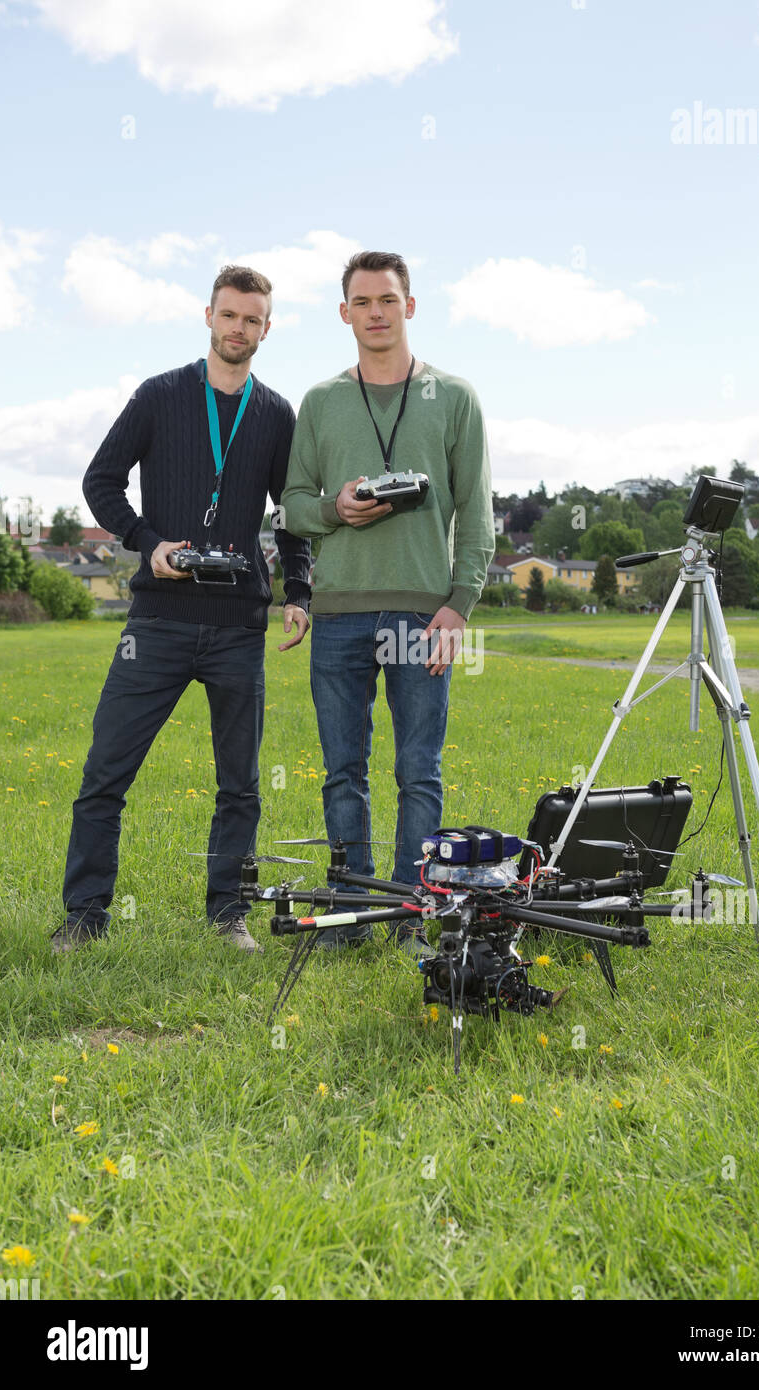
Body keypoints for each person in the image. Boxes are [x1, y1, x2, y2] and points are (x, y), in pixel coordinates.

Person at [51, 265, 311, 955]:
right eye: (229, 315)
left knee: (241, 786)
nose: (239, 328)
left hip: (237, 627)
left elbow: (292, 516)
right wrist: (146, 543)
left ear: (266, 327)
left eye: (252, 319)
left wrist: (300, 591)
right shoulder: (159, 396)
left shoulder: (277, 413)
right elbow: (100, 480)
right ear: (208, 316)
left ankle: (228, 914)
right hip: (157, 620)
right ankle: (84, 916)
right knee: (105, 772)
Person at [281, 250, 494, 956]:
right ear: (344, 313)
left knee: (418, 770)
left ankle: (414, 911)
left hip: (421, 615)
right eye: (363, 301)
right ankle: (349, 909)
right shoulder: (319, 402)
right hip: (339, 611)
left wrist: (459, 605)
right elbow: (293, 508)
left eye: (389, 300)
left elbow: (477, 513)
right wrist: (337, 508)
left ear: (410, 307)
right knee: (343, 769)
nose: (376, 312)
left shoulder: (455, 397)